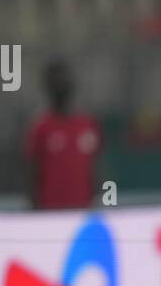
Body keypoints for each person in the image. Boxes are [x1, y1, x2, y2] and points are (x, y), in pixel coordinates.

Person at [24, 61, 102, 210]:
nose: (61, 86)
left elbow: (97, 168)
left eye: (64, 81)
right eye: (56, 82)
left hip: (83, 211)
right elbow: (32, 173)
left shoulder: (88, 126)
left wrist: (101, 201)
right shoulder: (41, 128)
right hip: (51, 213)